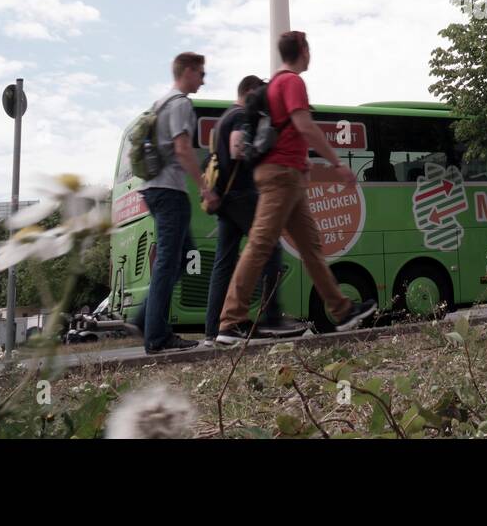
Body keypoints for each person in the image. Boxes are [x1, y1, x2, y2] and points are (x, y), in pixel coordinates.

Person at [215, 31, 376, 344]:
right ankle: (230, 321)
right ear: (302, 50)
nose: (310, 53)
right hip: (282, 175)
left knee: (311, 247)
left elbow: (290, 135)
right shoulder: (291, 82)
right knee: (261, 243)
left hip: (289, 175)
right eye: (309, 48)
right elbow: (304, 126)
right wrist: (337, 163)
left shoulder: (274, 84)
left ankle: (342, 311)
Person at [203, 75, 307, 343]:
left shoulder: (224, 117)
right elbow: (238, 149)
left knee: (223, 263)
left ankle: (214, 329)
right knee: (270, 246)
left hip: (225, 197)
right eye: (260, 93)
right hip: (241, 194)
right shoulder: (239, 116)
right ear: (249, 91)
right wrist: (263, 152)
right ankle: (271, 316)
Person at [138, 52, 218, 354]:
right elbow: (183, 149)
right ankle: (156, 337)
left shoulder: (159, 104)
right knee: (169, 261)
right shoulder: (181, 104)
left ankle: (144, 318)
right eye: (200, 73)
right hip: (170, 191)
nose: (203, 79)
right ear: (186, 71)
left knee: (184, 256)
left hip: (154, 189)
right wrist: (204, 187)